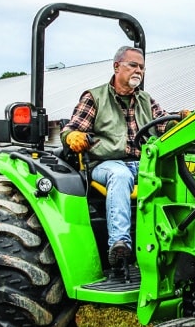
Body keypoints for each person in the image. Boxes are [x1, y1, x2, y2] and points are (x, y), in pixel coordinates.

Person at [61, 45, 170, 273]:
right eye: (133, 65)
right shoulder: (95, 97)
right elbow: (71, 129)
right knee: (120, 175)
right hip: (106, 165)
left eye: (142, 67)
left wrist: (179, 121)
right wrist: (73, 136)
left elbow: (164, 124)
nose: (138, 71)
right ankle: (119, 245)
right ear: (117, 66)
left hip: (143, 164)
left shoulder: (145, 100)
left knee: (173, 174)